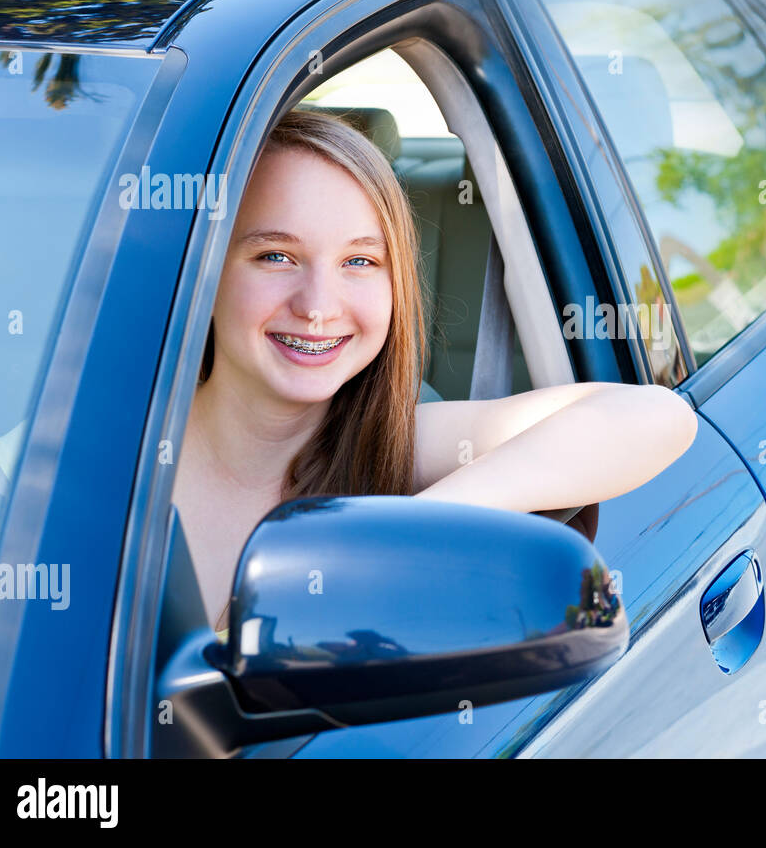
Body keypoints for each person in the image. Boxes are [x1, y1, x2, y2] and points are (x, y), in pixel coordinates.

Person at [170, 109, 697, 638]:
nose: (317, 307)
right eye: (277, 256)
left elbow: (657, 415)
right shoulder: (121, 448)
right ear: (205, 272)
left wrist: (396, 537)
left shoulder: (393, 445)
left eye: (360, 262)